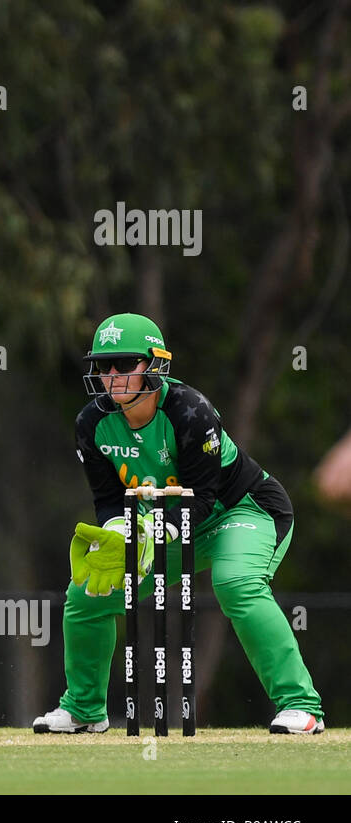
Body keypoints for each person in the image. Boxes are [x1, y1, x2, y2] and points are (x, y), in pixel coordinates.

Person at [33, 313, 324, 735]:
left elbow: (203, 498)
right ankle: (84, 709)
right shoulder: (91, 424)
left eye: (125, 363)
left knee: (235, 583)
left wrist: (150, 532)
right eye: (103, 365)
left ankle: (301, 705)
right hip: (165, 524)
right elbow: (110, 501)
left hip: (241, 512)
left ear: (154, 364)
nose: (112, 376)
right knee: (87, 595)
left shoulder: (190, 411)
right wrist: (118, 534)